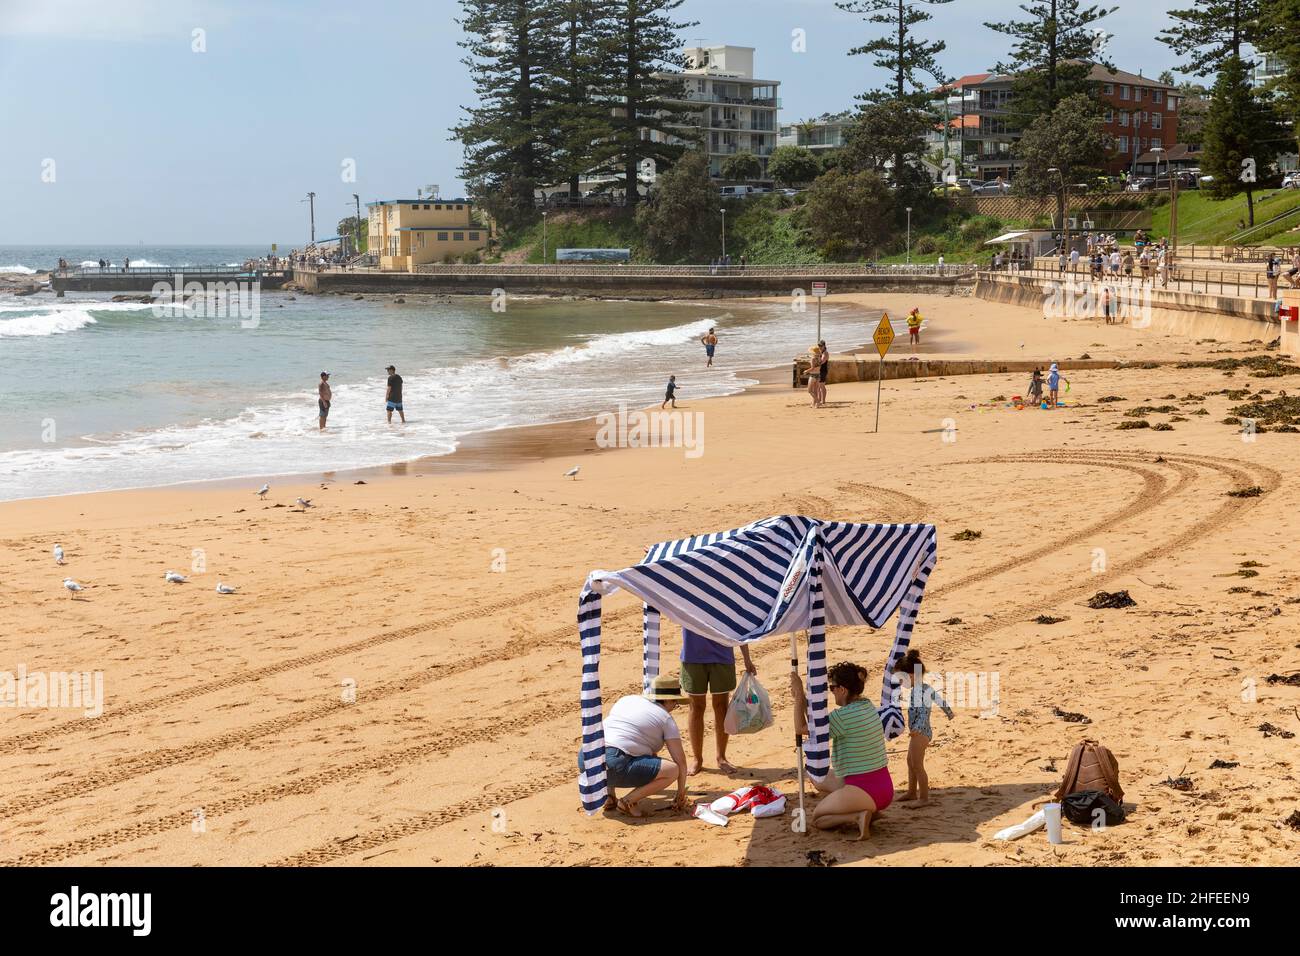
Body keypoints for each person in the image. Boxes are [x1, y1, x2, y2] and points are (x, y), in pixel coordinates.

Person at [790, 661, 892, 840]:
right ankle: (869, 811)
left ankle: (858, 816)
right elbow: (816, 726)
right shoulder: (866, 705)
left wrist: (799, 698)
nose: (832, 691)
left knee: (819, 819)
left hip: (865, 789)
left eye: (833, 688)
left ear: (842, 690)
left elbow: (801, 728)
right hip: (883, 786)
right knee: (817, 778)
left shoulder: (842, 717)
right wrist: (804, 701)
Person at [588, 674, 690, 817]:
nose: (675, 707)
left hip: (588, 759)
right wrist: (680, 795)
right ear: (667, 699)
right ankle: (627, 802)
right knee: (672, 770)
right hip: (615, 763)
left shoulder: (626, 700)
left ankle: (608, 796)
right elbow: (681, 762)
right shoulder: (666, 719)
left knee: (618, 746)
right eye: (675, 702)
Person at [679, 628, 756, 775]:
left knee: (721, 707)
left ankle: (721, 757)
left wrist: (747, 658)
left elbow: (737, 623)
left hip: (722, 656)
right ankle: (697, 759)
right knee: (696, 707)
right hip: (692, 656)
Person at [893, 649, 954, 808]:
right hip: (918, 731)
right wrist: (949, 712)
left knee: (918, 765)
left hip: (920, 732)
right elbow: (940, 700)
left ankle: (924, 798)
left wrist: (917, 729)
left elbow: (922, 713)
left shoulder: (922, 690)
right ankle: (912, 792)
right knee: (910, 761)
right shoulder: (922, 688)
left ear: (911, 675)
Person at [816, 339, 830, 406]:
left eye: (821, 346)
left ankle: (823, 401)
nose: (820, 347)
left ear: (824, 345)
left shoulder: (825, 353)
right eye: (819, 346)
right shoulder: (822, 352)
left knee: (821, 386)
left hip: (823, 370)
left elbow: (822, 362)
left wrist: (817, 358)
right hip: (821, 370)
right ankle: (819, 400)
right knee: (819, 386)